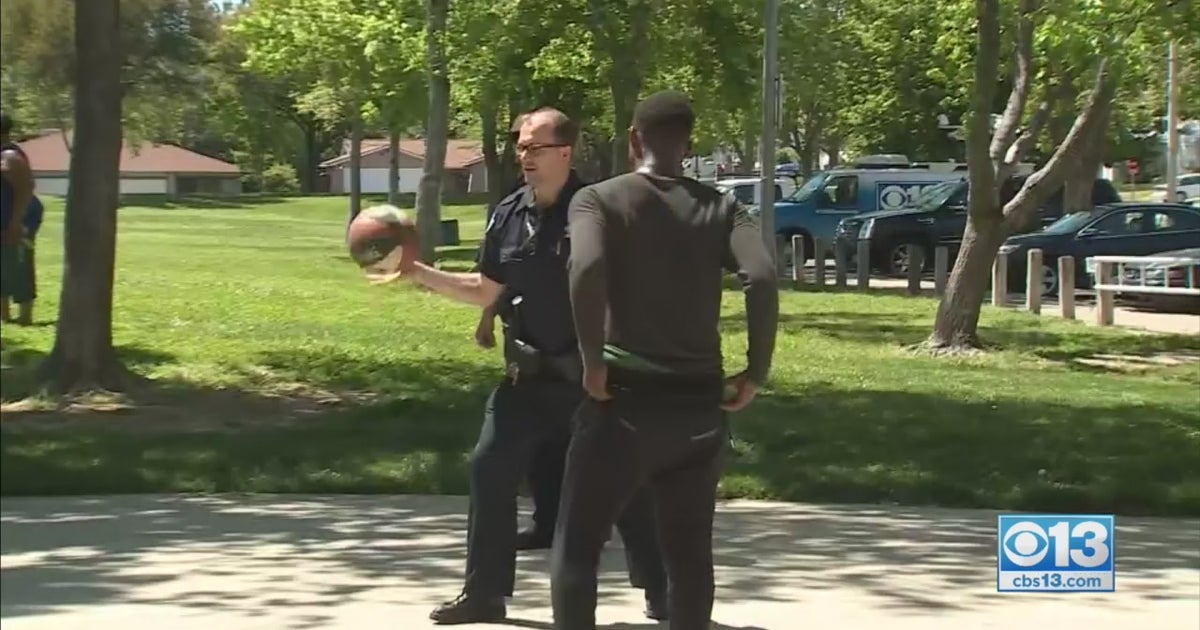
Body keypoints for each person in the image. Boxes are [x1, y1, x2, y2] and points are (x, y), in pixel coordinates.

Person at [372, 106, 668, 625]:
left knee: (628, 488)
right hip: (526, 381)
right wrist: (416, 272)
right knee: (489, 469)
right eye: (520, 146)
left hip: (592, 382)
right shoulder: (508, 213)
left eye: (534, 146)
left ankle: (663, 592)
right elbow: (488, 286)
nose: (523, 155)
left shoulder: (600, 210)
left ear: (564, 153)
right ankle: (484, 594)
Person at [552, 91, 779, 629]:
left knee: (578, 546)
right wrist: (756, 369)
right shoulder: (724, 207)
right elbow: (763, 277)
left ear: (634, 140)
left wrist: (591, 359)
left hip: (621, 404)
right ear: (688, 144)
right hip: (698, 409)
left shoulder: (596, 201)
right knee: (689, 556)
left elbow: (585, 269)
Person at [0, 111, 36, 333]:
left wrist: (16, 221)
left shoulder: (10, 156)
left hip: (16, 218)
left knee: (20, 264)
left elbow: (26, 187)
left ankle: (25, 317)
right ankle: (4, 316)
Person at [1, 194, 43, 324]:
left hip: (21, 242)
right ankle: (4, 316)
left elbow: (35, 215)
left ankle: (25, 317)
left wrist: (24, 230)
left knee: (23, 278)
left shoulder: (28, 198)